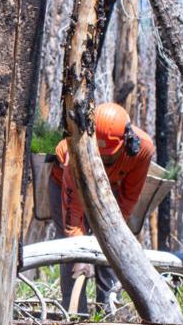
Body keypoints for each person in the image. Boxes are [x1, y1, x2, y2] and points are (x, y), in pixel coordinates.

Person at [48, 101, 154, 311]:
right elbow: (73, 217)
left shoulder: (142, 150)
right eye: (100, 155)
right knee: (73, 255)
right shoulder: (76, 151)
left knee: (111, 248)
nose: (104, 161)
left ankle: (107, 312)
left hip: (108, 189)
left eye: (109, 157)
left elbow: (128, 198)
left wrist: (110, 235)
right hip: (65, 184)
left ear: (126, 141)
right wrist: (79, 253)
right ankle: (76, 317)